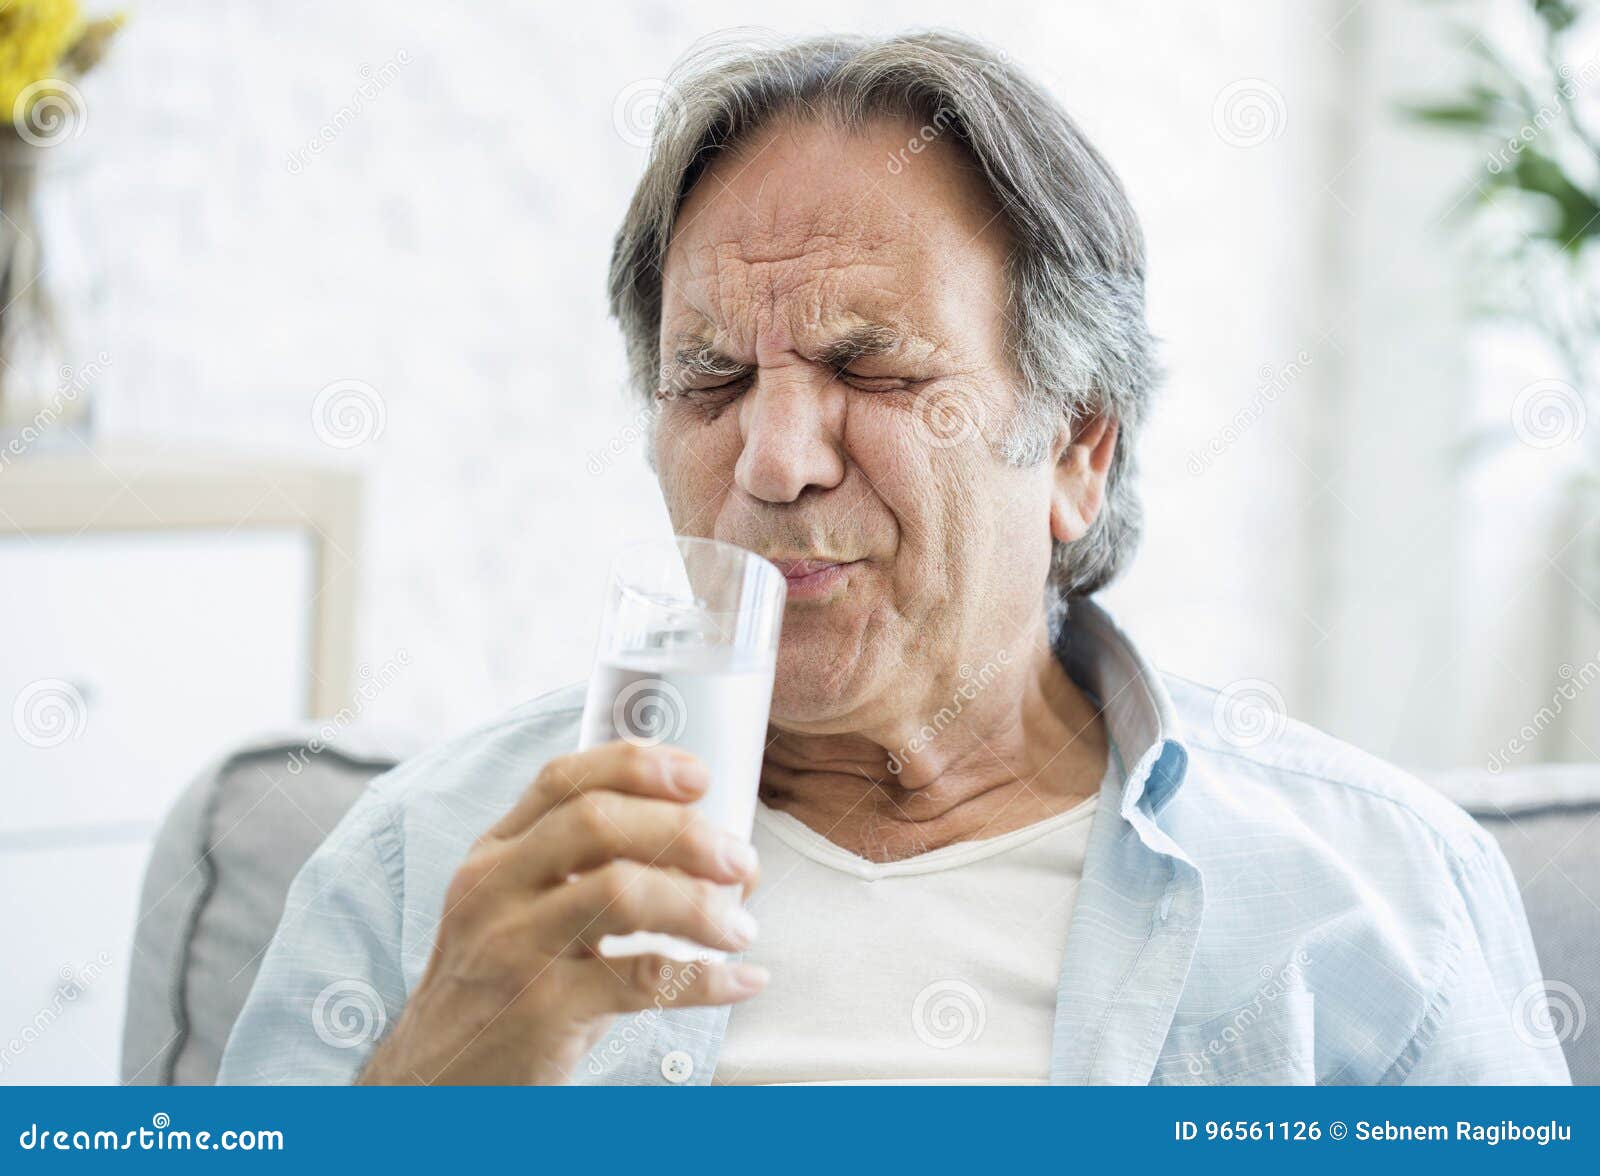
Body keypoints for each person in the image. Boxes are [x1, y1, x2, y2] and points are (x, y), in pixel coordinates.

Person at [219, 31, 1569, 1086]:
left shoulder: (1378, 902)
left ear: (1077, 449)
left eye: (869, 367)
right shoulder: (425, 872)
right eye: (709, 381)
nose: (773, 458)